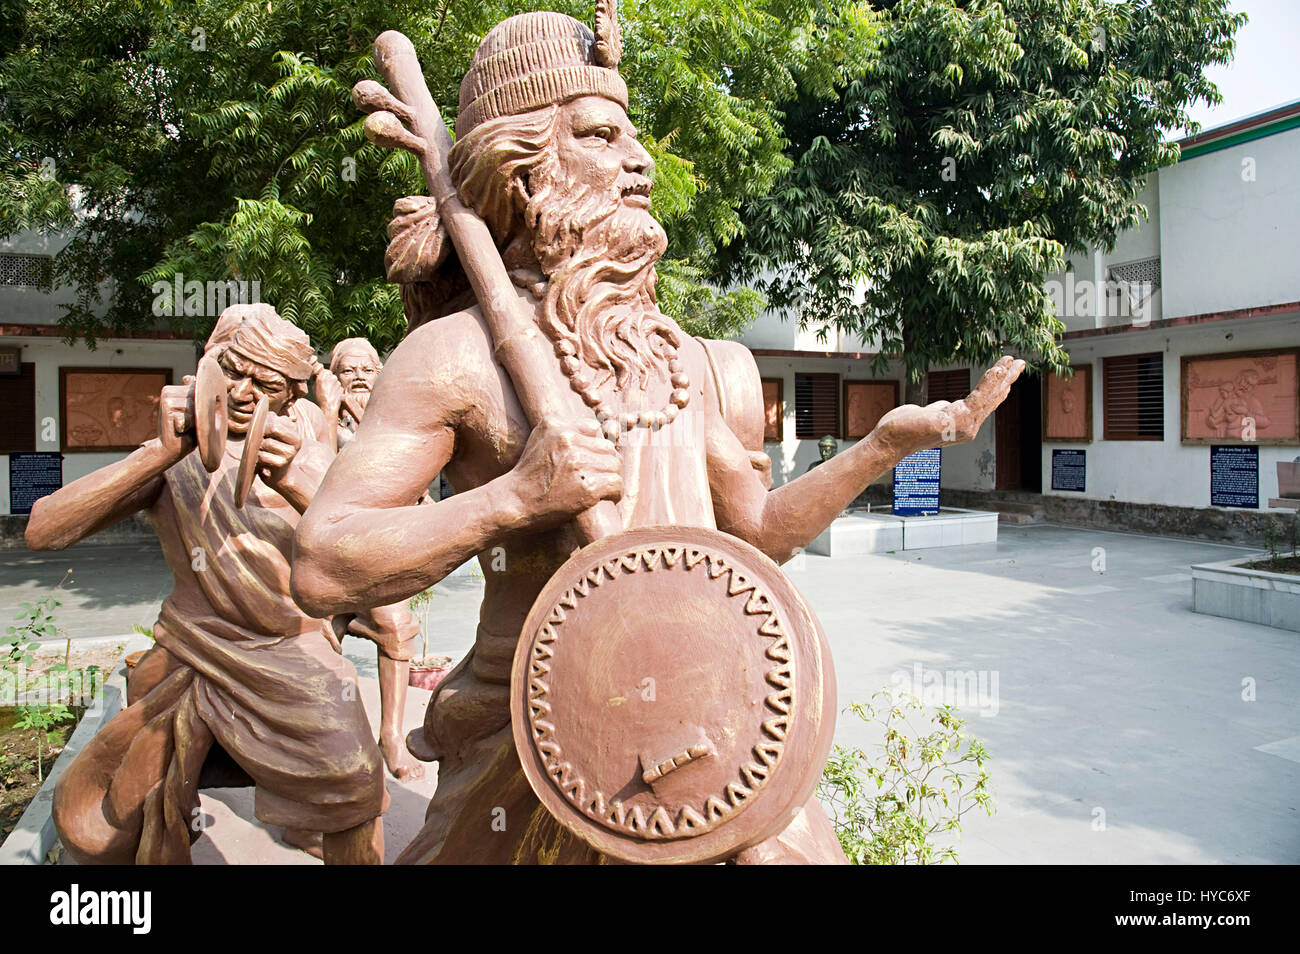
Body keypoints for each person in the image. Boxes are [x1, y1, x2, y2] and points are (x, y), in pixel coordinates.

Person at [293, 4, 1022, 864]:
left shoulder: (680, 356)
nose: (640, 162)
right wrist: (513, 499)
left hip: (710, 719)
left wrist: (880, 450)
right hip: (540, 747)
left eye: (631, 138)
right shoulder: (452, 358)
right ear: (524, 175)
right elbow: (326, 560)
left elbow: (752, 534)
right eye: (600, 137)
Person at [27, 304, 386, 865]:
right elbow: (44, 530)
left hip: (291, 651)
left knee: (358, 782)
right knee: (108, 821)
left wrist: (297, 482)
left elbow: (367, 559)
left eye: (265, 385)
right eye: (234, 371)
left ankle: (321, 829)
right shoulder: (176, 455)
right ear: (212, 364)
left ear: (291, 397)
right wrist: (159, 456)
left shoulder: (310, 449)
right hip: (193, 652)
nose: (243, 393)